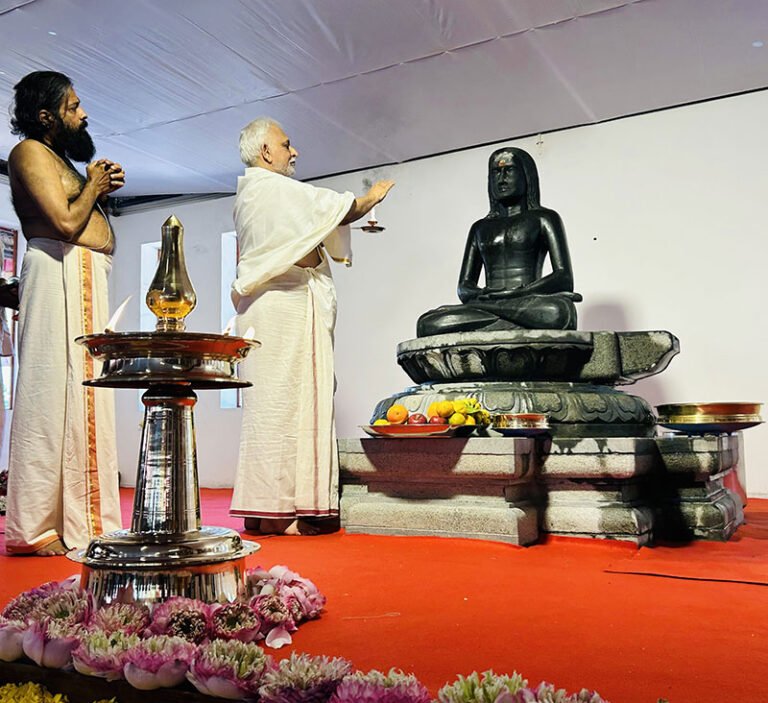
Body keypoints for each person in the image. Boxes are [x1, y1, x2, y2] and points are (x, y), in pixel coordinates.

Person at [230, 117, 394, 535]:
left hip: (276, 308)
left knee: (280, 408)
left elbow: (314, 224)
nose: (294, 152)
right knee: (283, 409)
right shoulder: (271, 189)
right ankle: (282, 508)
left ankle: (274, 509)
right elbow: (340, 208)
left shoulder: (254, 194)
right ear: (266, 151)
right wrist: (371, 197)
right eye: (287, 144)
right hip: (281, 308)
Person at [4, 71, 125, 555]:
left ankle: (71, 516)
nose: (84, 113)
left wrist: (95, 187)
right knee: (49, 396)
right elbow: (65, 221)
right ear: (45, 116)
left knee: (79, 397)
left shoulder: (54, 156)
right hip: (58, 273)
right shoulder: (28, 152)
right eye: (73, 106)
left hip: (79, 275)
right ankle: (34, 527)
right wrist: (93, 185)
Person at [417, 146, 581, 337]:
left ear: (526, 176)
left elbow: (564, 277)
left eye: (509, 170)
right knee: (427, 324)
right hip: (488, 302)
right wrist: (483, 296)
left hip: (527, 300)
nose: (501, 179)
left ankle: (498, 318)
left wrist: (518, 293)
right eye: (495, 172)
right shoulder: (479, 228)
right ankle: (510, 320)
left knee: (558, 313)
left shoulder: (544, 218)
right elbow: (464, 286)